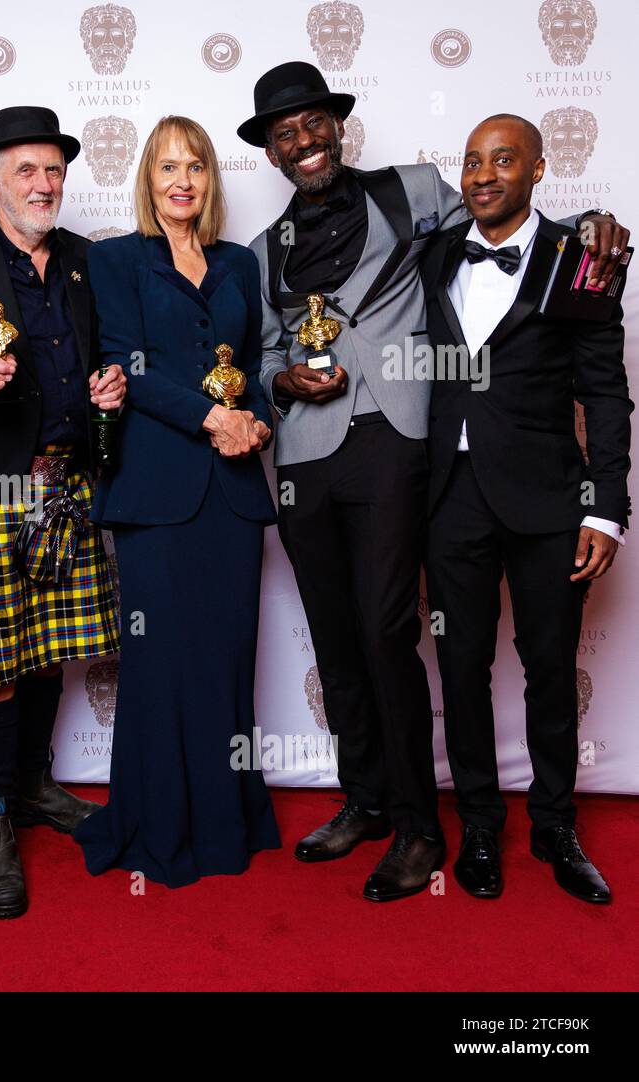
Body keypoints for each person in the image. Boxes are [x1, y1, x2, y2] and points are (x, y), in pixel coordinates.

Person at [240, 61, 630, 902]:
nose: (303, 141)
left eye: (314, 124)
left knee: (388, 632)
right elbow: (268, 350)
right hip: (306, 454)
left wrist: (598, 224)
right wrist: (279, 383)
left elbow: (519, 234)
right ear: (269, 151)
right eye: (285, 132)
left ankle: (423, 826)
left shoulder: (412, 191)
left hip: (400, 443)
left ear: (336, 127)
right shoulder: (264, 250)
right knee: (336, 640)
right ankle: (366, 800)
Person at [0, 106, 126, 919]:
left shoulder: (85, 261)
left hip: (69, 483)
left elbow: (105, 356)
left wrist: (114, 388)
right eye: (27, 170)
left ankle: (35, 785)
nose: (45, 184)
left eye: (54, 169)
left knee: (45, 652)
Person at [420, 115, 632, 903]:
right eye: (471, 161)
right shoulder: (438, 251)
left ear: (538, 171)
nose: (481, 175)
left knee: (550, 670)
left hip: (550, 498)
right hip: (450, 499)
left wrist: (605, 508)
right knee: (461, 667)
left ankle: (554, 823)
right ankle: (478, 823)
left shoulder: (581, 260)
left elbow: (605, 394)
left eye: (502, 160)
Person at [74, 116, 281, 886]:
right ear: (148, 180)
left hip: (231, 492)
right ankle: (159, 825)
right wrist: (212, 418)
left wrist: (253, 417)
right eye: (167, 167)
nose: (182, 180)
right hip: (155, 491)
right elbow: (123, 365)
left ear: (210, 177)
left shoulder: (239, 264)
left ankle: (227, 823)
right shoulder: (116, 260)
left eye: (195, 165)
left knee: (227, 661)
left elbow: (253, 363)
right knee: (161, 665)